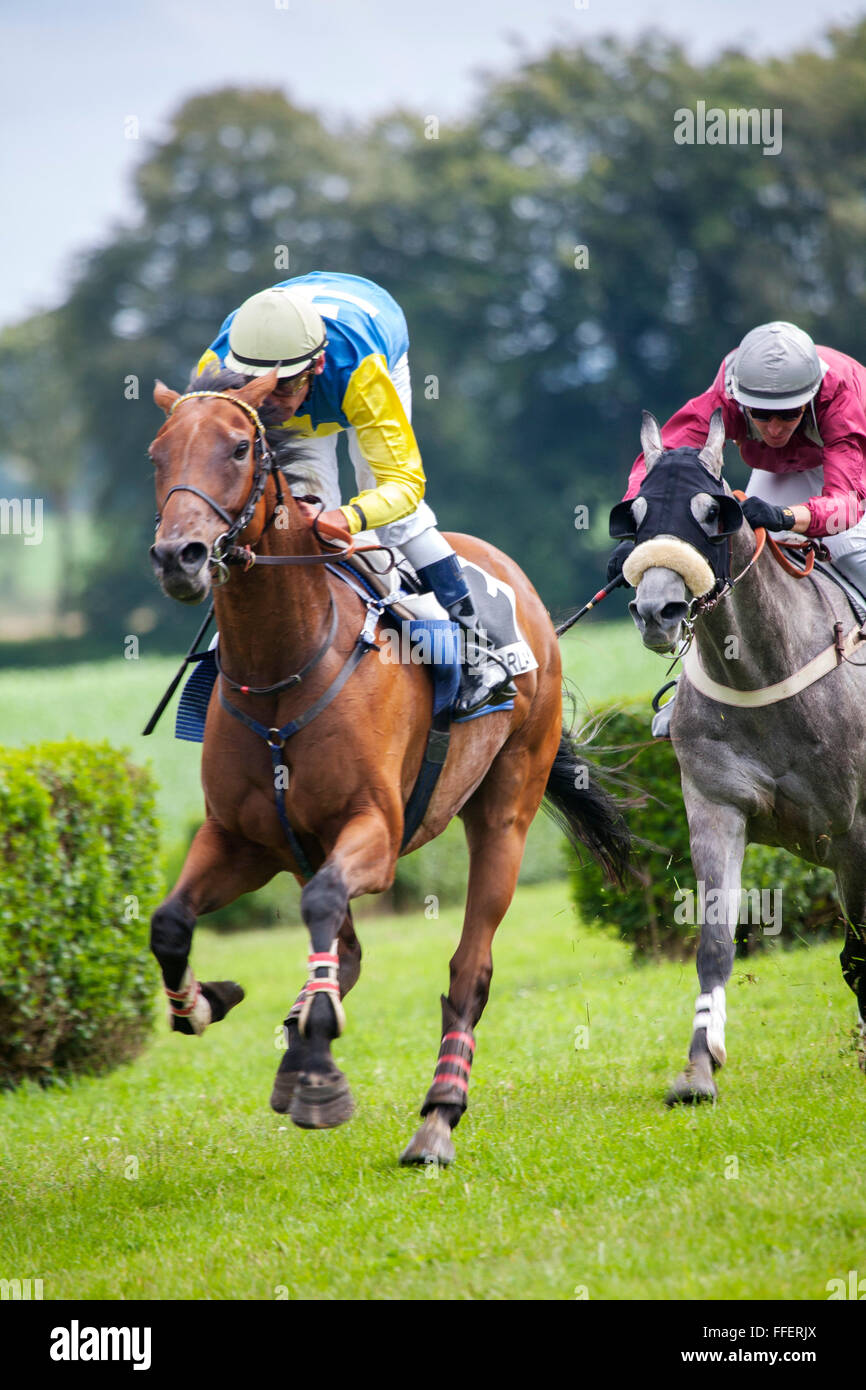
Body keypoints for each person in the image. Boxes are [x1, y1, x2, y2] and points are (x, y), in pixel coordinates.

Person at [195, 271, 511, 716]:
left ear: (316, 366)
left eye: (284, 386)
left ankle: (478, 651)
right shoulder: (218, 371)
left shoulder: (361, 372)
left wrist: (347, 520)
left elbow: (404, 485)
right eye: (258, 387)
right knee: (294, 516)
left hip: (372, 345)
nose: (270, 402)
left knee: (390, 511)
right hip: (294, 341)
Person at [607, 321, 866, 736]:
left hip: (853, 474)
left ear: (810, 400)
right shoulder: (727, 389)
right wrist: (643, 535)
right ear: (741, 401)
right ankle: (691, 688)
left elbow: (847, 502)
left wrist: (786, 518)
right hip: (784, 471)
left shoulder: (839, 393)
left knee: (852, 552)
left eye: (789, 415)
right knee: (735, 553)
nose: (776, 429)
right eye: (762, 416)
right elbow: (664, 465)